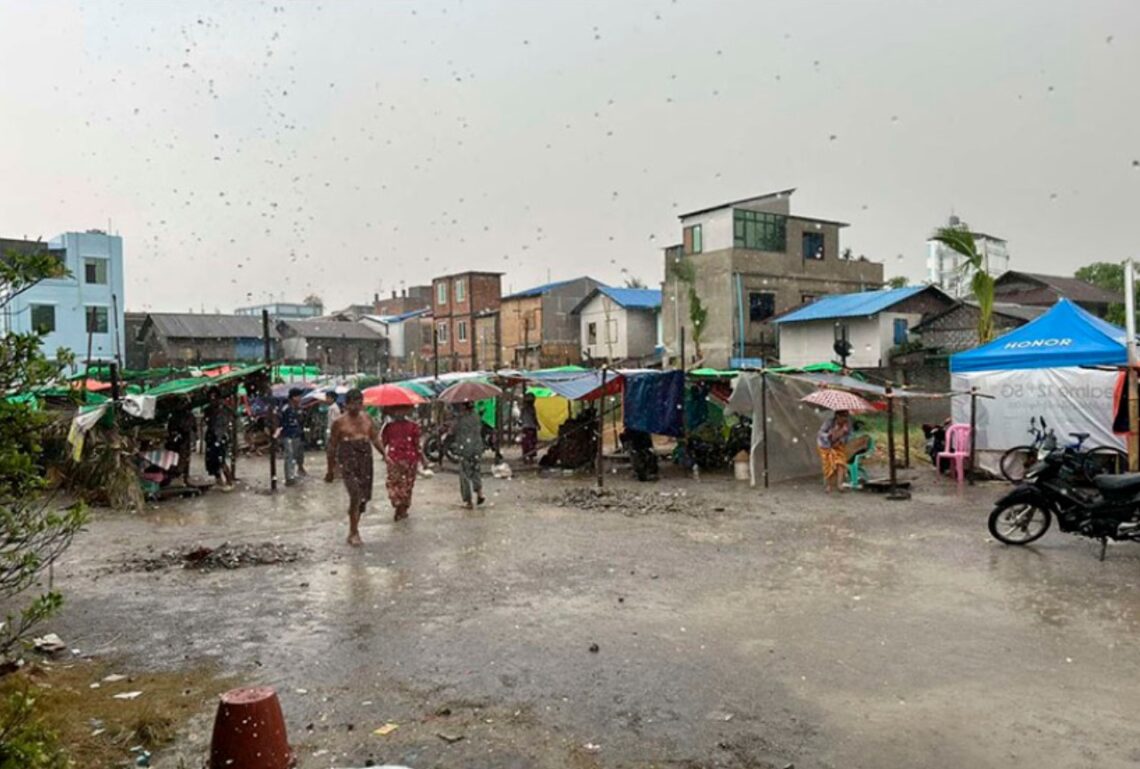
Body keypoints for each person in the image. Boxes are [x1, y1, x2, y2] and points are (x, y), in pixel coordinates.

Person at [325, 389, 383, 546]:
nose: (357, 407)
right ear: (346, 404)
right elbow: (332, 446)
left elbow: (375, 438)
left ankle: (354, 521)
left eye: (360, 403)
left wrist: (385, 455)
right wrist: (330, 469)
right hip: (348, 459)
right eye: (353, 403)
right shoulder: (339, 422)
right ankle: (353, 532)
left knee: (363, 499)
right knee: (355, 494)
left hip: (365, 459)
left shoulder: (367, 418)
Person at [378, 404, 422, 521]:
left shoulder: (388, 427)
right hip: (410, 459)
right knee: (407, 484)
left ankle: (397, 502)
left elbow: (383, 443)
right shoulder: (413, 426)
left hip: (394, 459)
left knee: (394, 483)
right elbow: (417, 446)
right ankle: (403, 508)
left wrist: (384, 456)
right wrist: (423, 460)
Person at [453, 402, 486, 509]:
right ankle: (480, 493)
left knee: (465, 475)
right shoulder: (477, 416)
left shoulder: (461, 418)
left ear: (463, 406)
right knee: (476, 470)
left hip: (465, 449)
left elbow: (453, 431)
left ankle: (468, 501)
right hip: (476, 448)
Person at [204, 388, 235, 491]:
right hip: (212, 437)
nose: (212, 400)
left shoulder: (224, 409)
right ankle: (219, 480)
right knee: (212, 461)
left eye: (213, 398)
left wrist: (220, 437)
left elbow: (226, 423)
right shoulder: (209, 409)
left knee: (221, 460)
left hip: (220, 437)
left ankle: (229, 481)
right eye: (210, 398)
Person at [817, 409, 852, 492]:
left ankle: (839, 484)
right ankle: (828, 485)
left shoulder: (847, 425)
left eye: (846, 417)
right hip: (825, 445)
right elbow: (820, 433)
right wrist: (829, 435)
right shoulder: (829, 423)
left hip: (838, 446)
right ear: (837, 416)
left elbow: (849, 436)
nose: (844, 419)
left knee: (840, 463)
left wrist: (841, 439)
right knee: (829, 464)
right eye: (842, 417)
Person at [165, 397, 196, 487]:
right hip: (176, 441)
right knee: (176, 459)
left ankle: (182, 477)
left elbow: (190, 428)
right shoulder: (175, 415)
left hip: (183, 440)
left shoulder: (187, 415)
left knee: (182, 459)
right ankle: (177, 477)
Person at [278, 388, 305, 486]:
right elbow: (280, 421)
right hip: (287, 435)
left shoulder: (298, 408)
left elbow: (301, 420)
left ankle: (292, 475)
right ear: (293, 397)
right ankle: (289, 477)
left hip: (296, 434)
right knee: (289, 455)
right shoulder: (286, 408)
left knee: (294, 455)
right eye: (299, 396)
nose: (300, 398)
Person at [519, 392, 539, 464]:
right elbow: (534, 418)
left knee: (525, 443)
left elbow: (520, 418)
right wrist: (537, 425)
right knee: (531, 443)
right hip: (531, 428)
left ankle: (525, 457)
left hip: (525, 428)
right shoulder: (531, 408)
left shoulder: (523, 409)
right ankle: (530, 458)